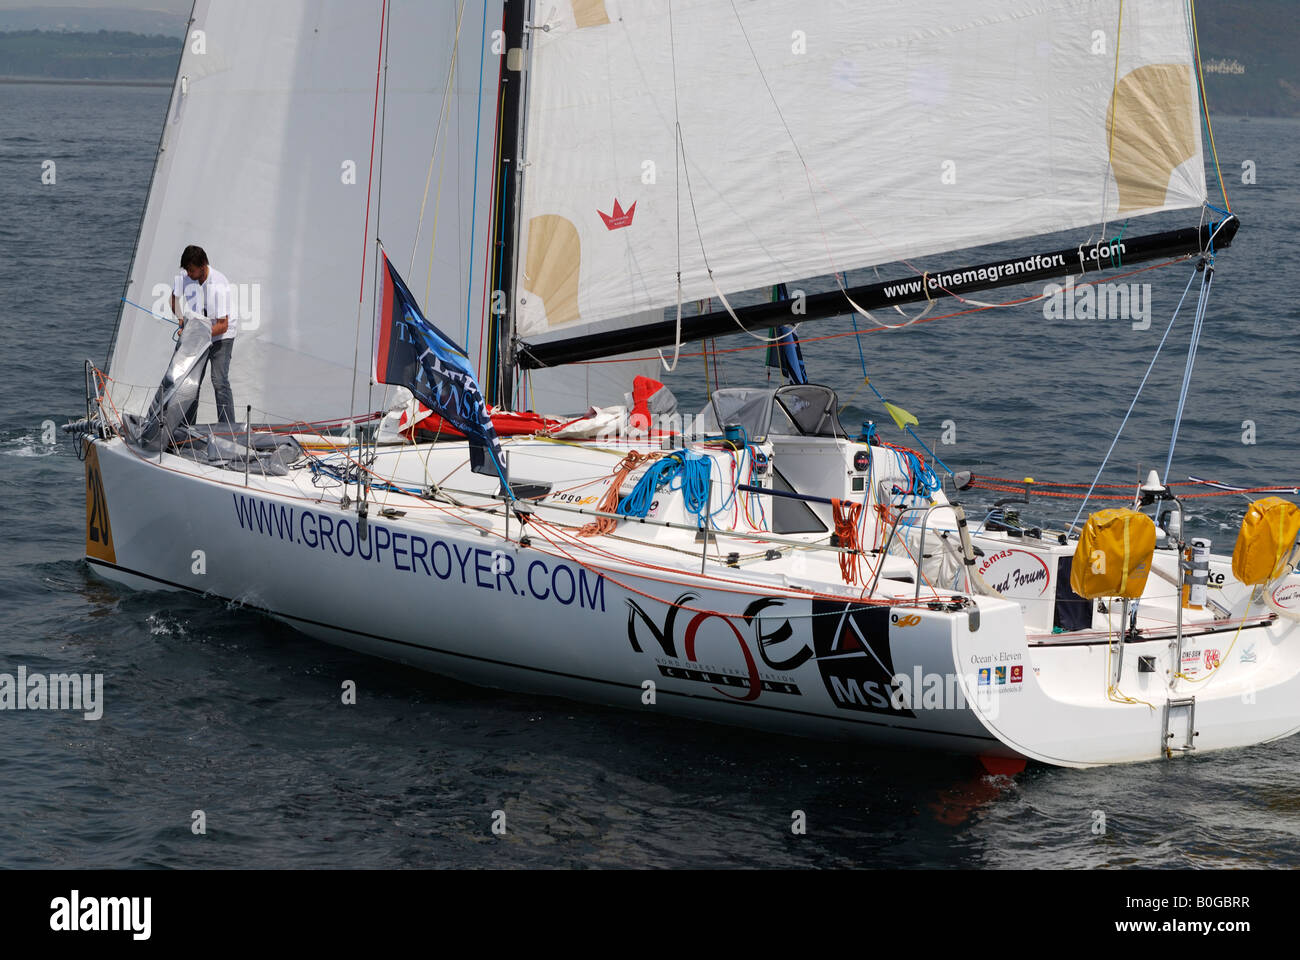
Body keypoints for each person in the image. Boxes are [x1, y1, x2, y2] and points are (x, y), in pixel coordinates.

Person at [170, 245, 237, 425]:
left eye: (191, 270)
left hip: (222, 336)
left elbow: (223, 325)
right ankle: (187, 427)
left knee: (219, 381)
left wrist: (197, 334)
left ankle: (228, 428)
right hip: (200, 334)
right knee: (191, 382)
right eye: (187, 270)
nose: (189, 274)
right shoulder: (185, 277)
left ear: (203, 266)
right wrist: (181, 320)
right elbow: (174, 297)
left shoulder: (219, 285)